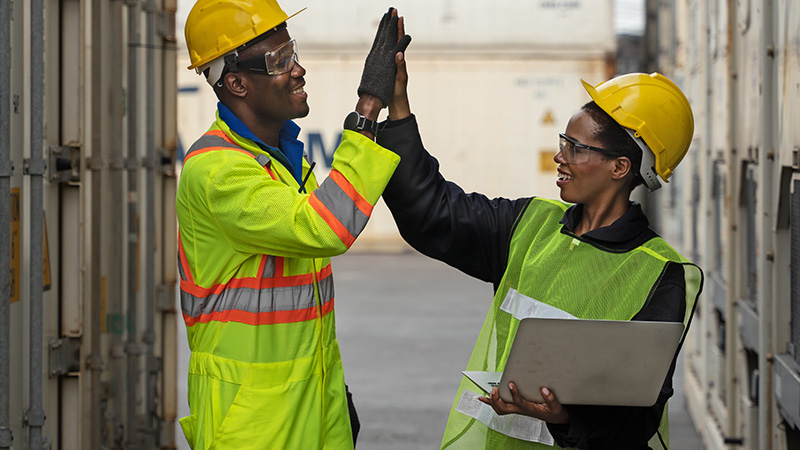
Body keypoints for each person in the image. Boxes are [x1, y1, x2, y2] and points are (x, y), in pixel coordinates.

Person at [376, 47, 704, 449]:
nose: (559, 157)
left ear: (619, 167)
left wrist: (565, 418)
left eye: (576, 148)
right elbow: (431, 212)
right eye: (563, 141)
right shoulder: (528, 224)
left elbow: (638, 414)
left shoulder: (660, 273)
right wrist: (398, 109)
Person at [176, 2, 410, 449]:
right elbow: (325, 227)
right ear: (237, 82)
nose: (298, 69)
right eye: (279, 60)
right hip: (254, 424)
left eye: (292, 52)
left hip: (310, 404)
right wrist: (368, 108)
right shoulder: (219, 171)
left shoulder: (281, 160)